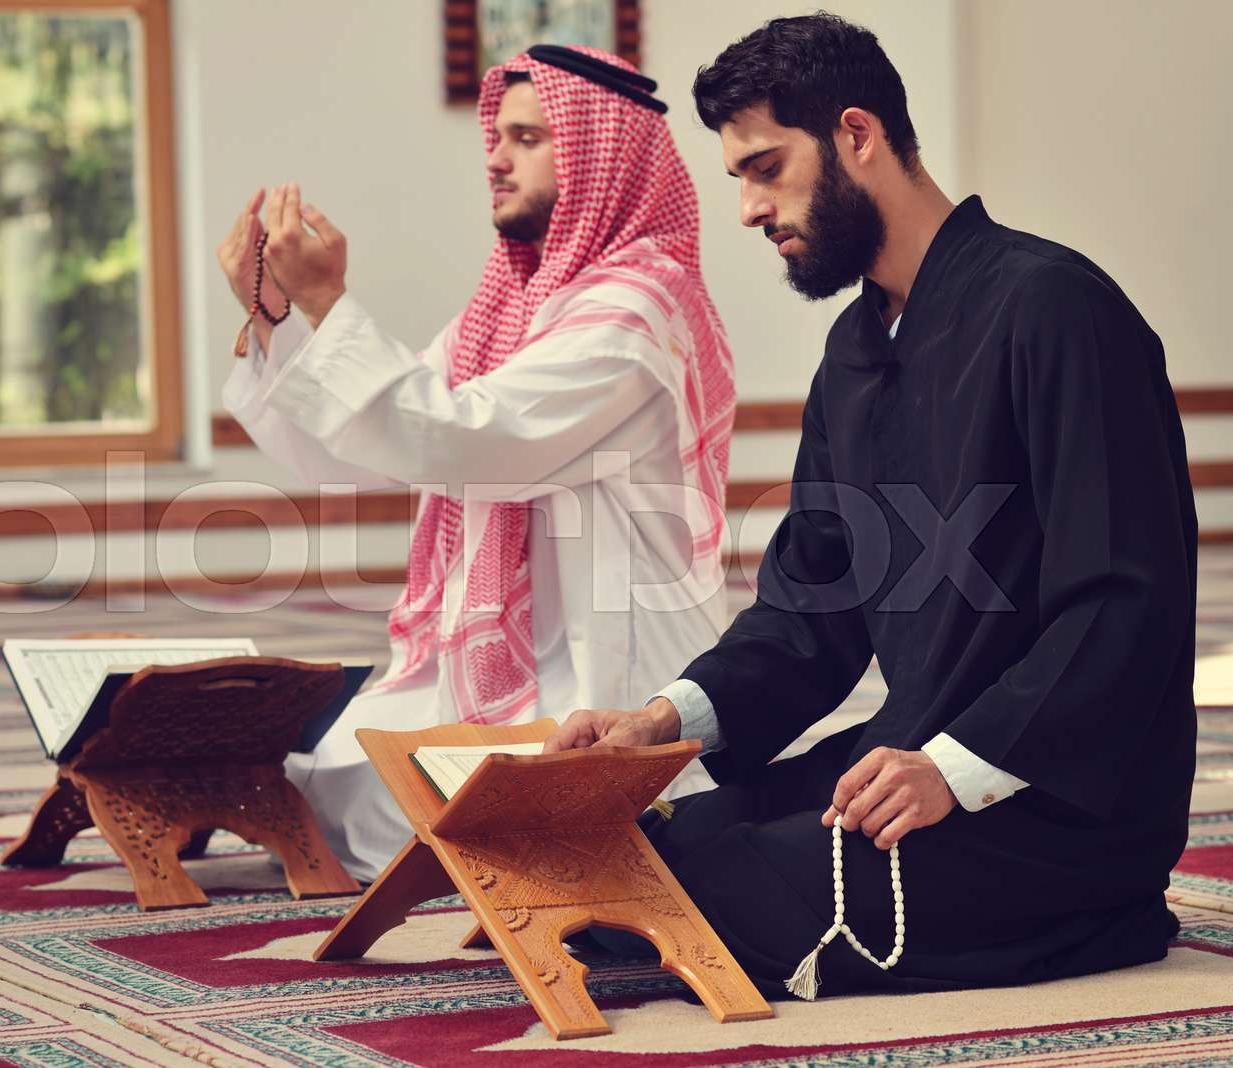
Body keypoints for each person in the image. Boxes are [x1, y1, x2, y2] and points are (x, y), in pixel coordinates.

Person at [546, 13, 1197, 999]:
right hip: (903, 766)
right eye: (736, 180)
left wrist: (955, 768)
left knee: (707, 889)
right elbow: (809, 613)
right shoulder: (853, 356)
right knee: (619, 852)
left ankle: (1093, 919)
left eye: (765, 167)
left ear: (857, 135)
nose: (748, 210)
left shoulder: (1055, 309)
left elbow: (1122, 603)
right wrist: (662, 722)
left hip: (1054, 803)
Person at [216, 45, 737, 881]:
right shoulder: (515, 309)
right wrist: (277, 316)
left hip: (606, 687)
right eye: (496, 136)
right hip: (500, 675)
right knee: (304, 764)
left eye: (528, 138)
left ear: (604, 159)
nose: (494, 157)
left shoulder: (635, 316)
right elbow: (371, 445)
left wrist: (326, 303)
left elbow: (464, 440)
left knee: (361, 801)